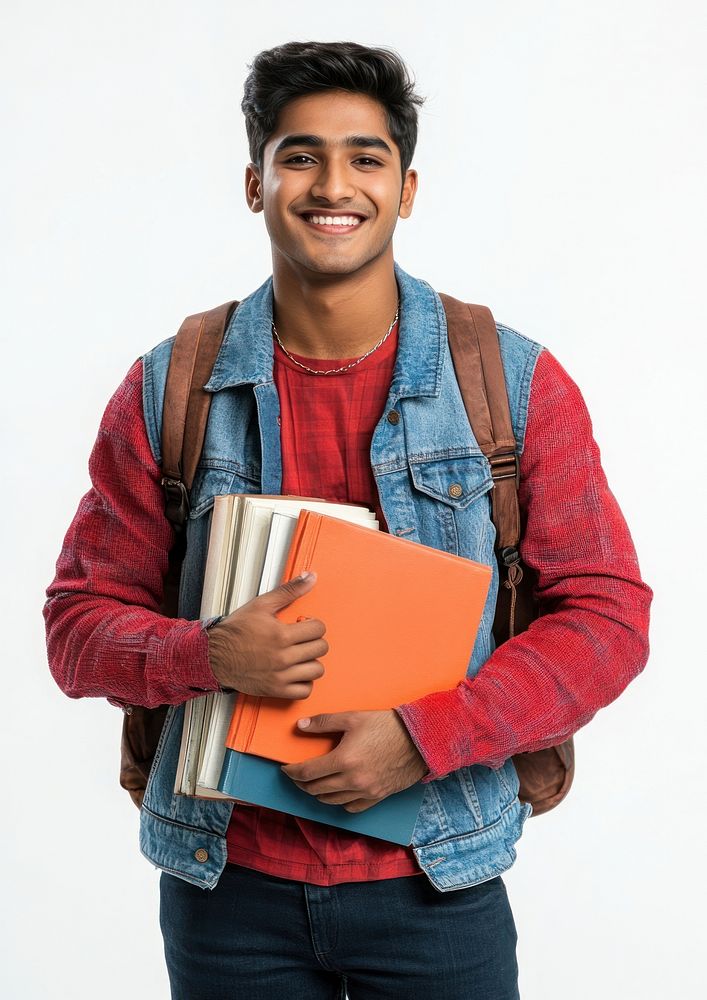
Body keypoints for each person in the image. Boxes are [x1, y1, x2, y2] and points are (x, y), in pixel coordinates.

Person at [43, 40, 652, 1000]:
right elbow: (76, 628)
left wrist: (427, 735)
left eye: (366, 157)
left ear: (406, 189)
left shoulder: (513, 381)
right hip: (225, 890)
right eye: (300, 155)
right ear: (256, 183)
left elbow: (607, 618)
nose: (334, 184)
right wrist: (207, 655)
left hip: (437, 883)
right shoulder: (171, 387)